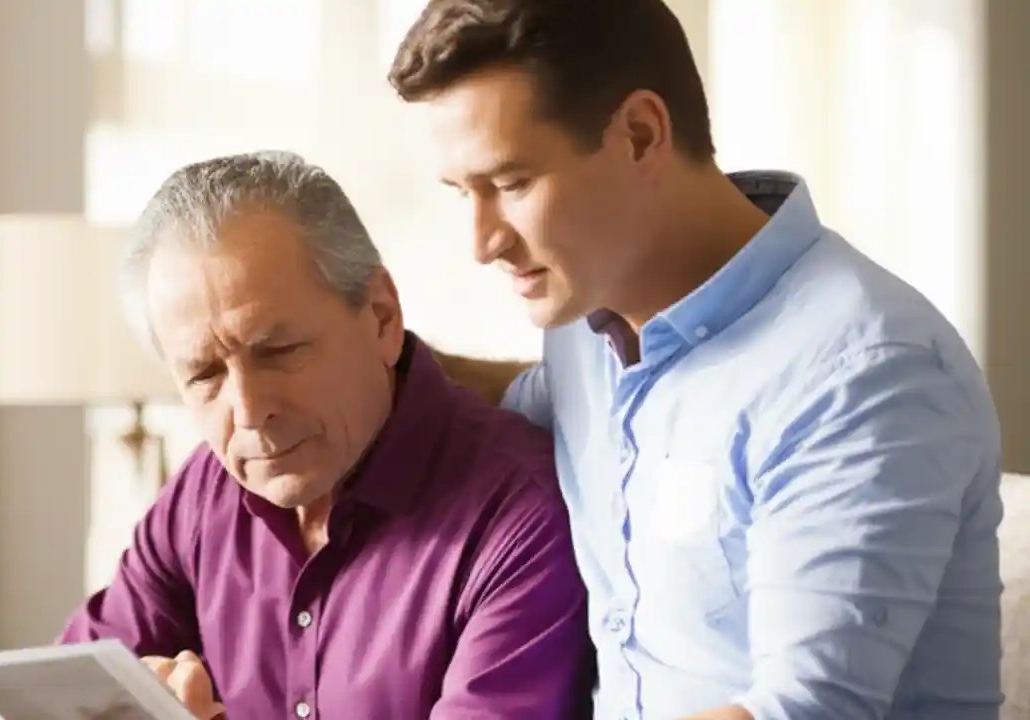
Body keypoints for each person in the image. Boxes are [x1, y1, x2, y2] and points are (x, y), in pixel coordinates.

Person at [387, 1, 1004, 719]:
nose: (482, 242)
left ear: (640, 134)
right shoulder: (592, 325)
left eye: (511, 183)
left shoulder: (864, 372)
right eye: (462, 192)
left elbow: (803, 708)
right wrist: (356, 352)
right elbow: (514, 408)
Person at [59, 151, 591, 719]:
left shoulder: (519, 516)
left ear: (382, 317)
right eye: (205, 375)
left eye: (278, 351)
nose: (248, 412)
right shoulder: (202, 495)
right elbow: (61, 696)